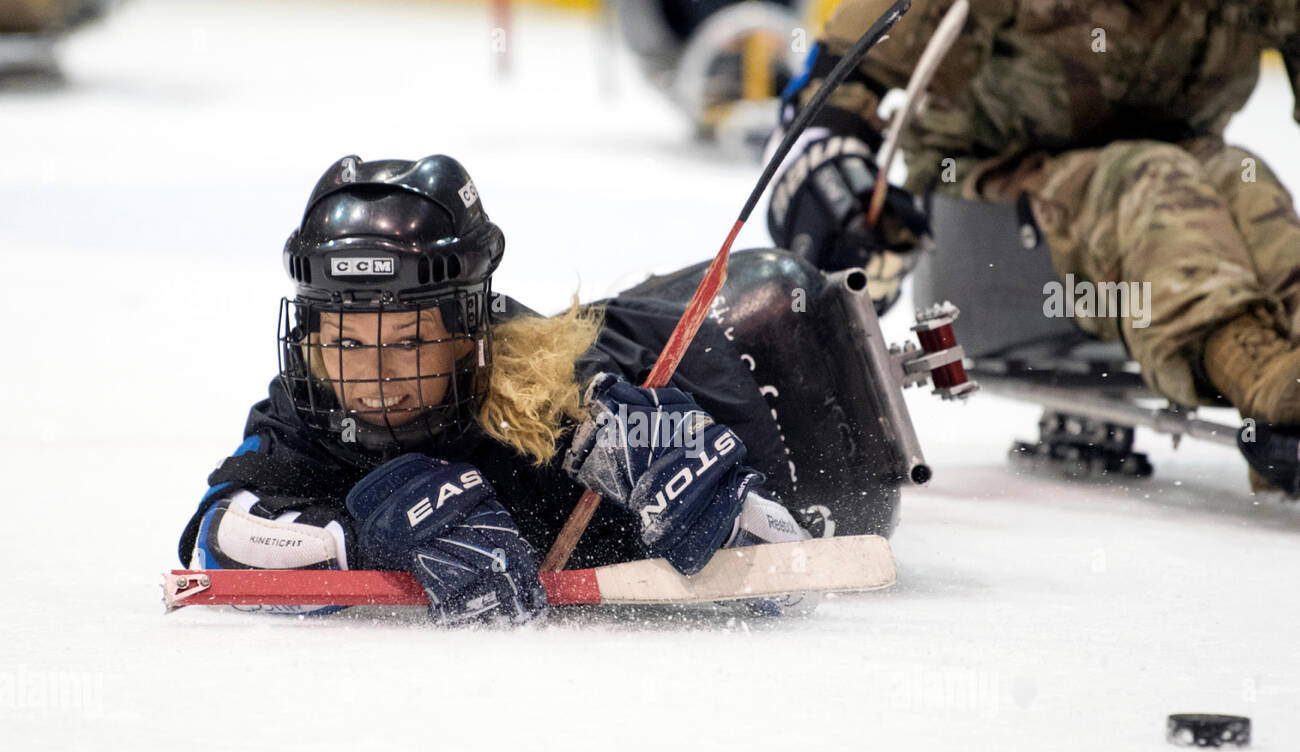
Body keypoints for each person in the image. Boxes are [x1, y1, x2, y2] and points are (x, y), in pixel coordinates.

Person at [178, 154, 906, 626]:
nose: (374, 377)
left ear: (468, 331)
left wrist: (716, 504)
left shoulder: (550, 398)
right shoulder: (311, 400)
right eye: (346, 342)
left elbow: (792, 564)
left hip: (778, 390)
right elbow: (218, 535)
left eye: (408, 341)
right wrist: (361, 540)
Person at [767, 0, 1300, 493]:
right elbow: (833, 86)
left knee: (1246, 185)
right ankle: (1258, 371)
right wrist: (840, 189)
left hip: (1180, 181)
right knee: (1150, 177)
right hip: (994, 209)